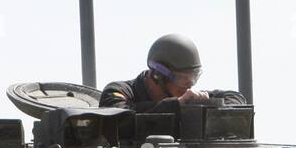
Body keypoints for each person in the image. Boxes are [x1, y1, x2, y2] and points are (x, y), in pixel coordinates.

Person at [100, 34, 246, 113]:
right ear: (159, 75)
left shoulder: (185, 96)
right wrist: (175, 105)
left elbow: (236, 98)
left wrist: (210, 106)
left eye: (193, 78)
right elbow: (118, 113)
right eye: (183, 78)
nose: (189, 86)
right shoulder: (118, 91)